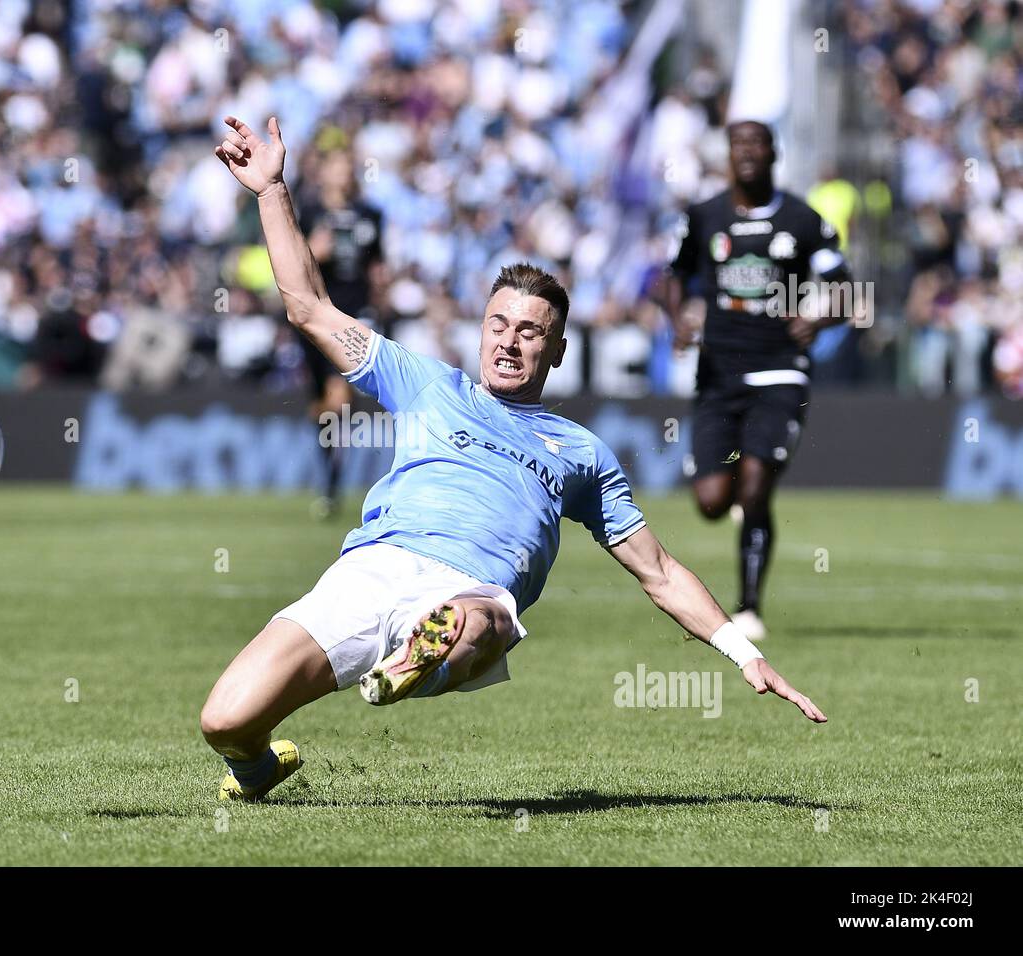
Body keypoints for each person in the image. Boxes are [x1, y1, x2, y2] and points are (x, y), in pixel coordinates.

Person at [204, 116, 827, 803]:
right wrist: (270, 189)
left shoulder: (583, 454)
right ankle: (260, 764)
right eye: (498, 325)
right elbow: (310, 307)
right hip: (373, 567)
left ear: (556, 352)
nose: (509, 342)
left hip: (473, 591)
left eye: (531, 332)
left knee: (483, 618)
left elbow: (659, 571)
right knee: (223, 720)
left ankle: (427, 653)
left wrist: (744, 653)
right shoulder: (425, 384)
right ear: (481, 331)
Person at [660, 120, 855, 641]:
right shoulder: (704, 217)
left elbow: (846, 288)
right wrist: (678, 319)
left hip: (781, 370)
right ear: (728, 154)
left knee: (755, 482)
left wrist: (817, 317)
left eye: (757, 143)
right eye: (738, 144)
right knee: (711, 501)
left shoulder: (802, 218)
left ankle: (748, 607)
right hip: (719, 373)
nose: (747, 152)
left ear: (774, 152)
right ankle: (737, 505)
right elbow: (672, 276)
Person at [297, 148, 384, 518]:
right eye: (336, 166)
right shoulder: (310, 212)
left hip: (355, 316)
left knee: (338, 399)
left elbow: (379, 266)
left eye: (348, 167)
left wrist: (381, 306)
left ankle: (332, 485)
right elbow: (295, 262)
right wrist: (315, 251)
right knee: (321, 407)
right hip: (318, 314)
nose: (344, 173)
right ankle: (329, 479)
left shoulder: (371, 215)